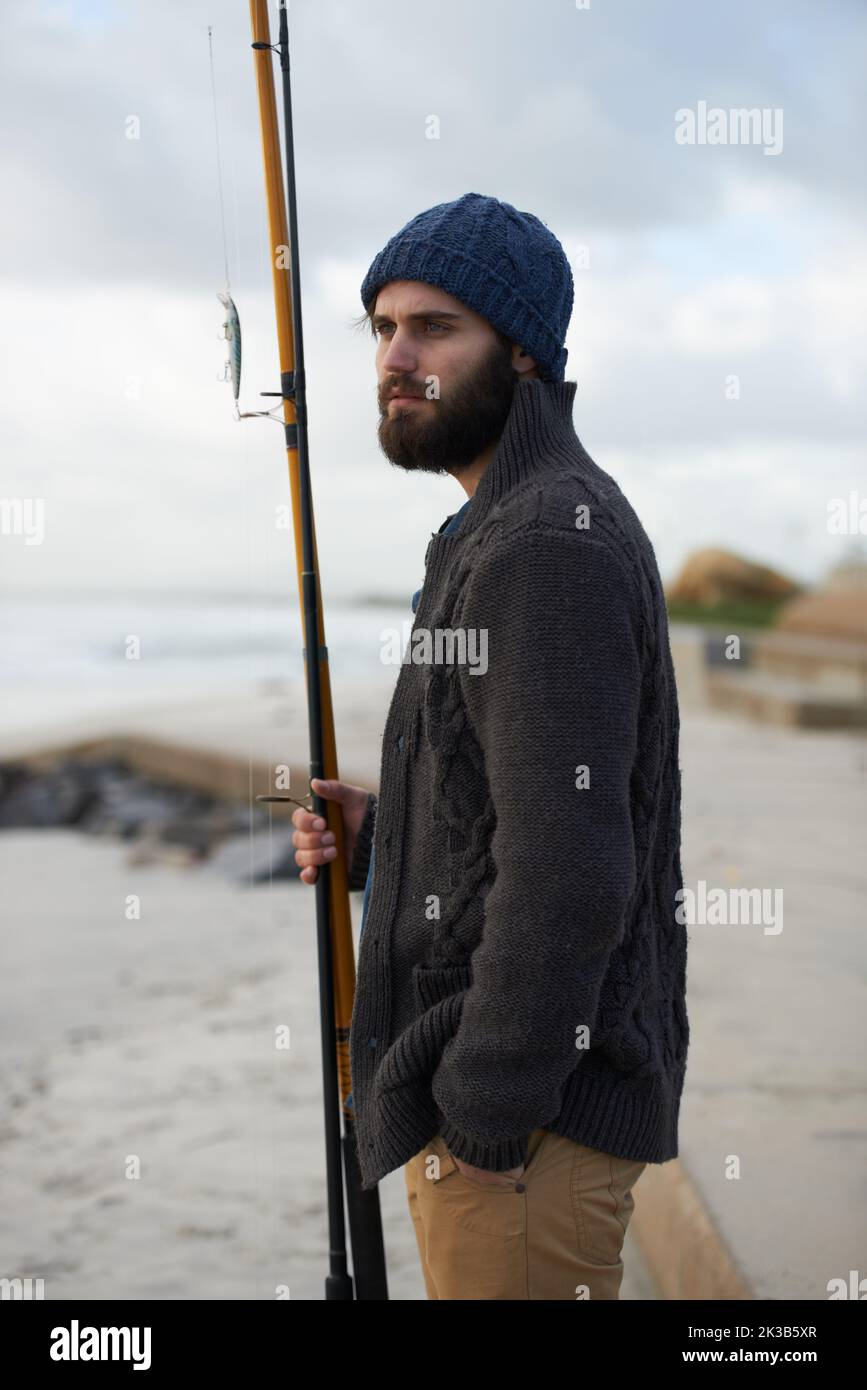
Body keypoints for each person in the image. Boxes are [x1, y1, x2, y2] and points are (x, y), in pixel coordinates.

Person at [291, 192, 689, 1300]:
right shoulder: (495, 528)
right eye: (381, 328)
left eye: (435, 327)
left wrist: (483, 1107)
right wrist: (390, 833)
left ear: (521, 351)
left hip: (523, 1134)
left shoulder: (542, 546)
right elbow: (526, 812)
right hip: (516, 1122)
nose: (397, 355)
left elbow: (571, 869)